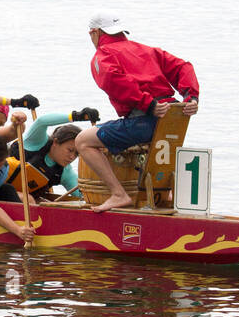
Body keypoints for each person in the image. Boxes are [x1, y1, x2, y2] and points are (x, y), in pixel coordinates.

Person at [75, 12, 200, 212]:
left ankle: (118, 194)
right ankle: (166, 196)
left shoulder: (102, 55)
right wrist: (191, 96)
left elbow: (113, 80)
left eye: (91, 35)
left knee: (82, 140)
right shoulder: (147, 50)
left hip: (147, 120)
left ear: (95, 32)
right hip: (175, 118)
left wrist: (147, 104)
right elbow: (182, 67)